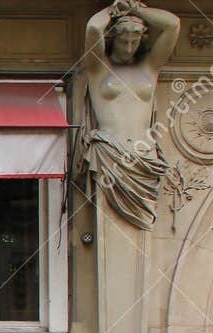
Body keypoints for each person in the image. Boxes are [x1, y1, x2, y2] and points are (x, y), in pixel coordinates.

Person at [78, 0, 181, 230]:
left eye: (134, 42)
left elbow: (173, 25)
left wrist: (137, 10)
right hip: (110, 152)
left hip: (145, 157)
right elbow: (93, 28)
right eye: (123, 41)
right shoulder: (98, 68)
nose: (128, 48)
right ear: (112, 38)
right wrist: (113, 10)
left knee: (142, 229)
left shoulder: (149, 67)